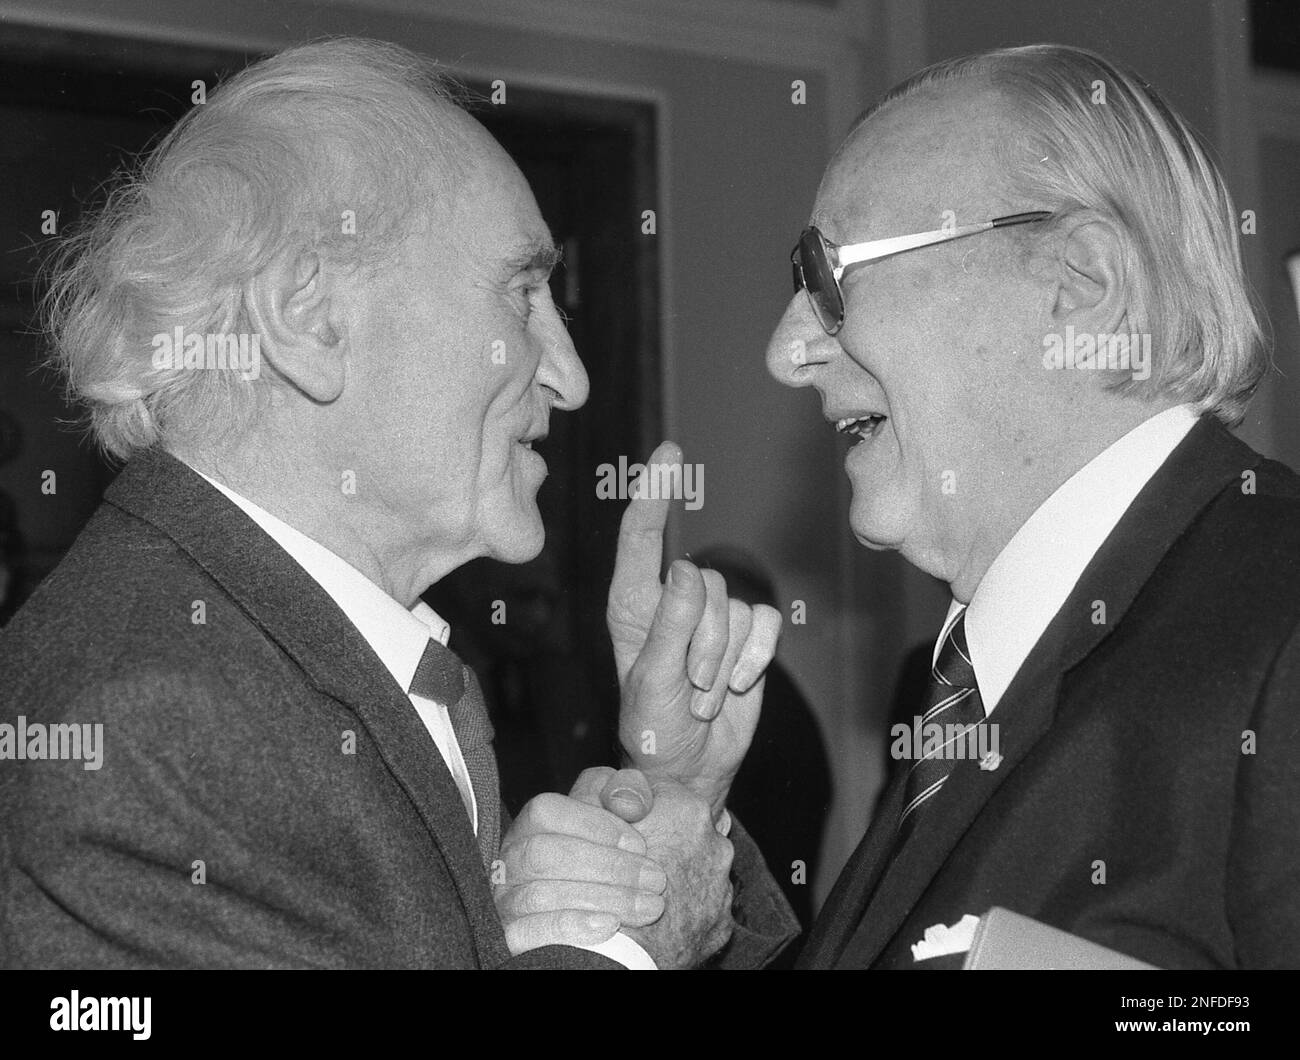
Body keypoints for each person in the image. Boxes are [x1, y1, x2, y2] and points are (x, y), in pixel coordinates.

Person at [0, 38, 795, 969]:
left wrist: (664, 799)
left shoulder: (287, 660)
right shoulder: (147, 731)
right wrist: (630, 943)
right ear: (308, 318)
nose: (571, 377)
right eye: (522, 294)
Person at [762, 44, 1300, 968]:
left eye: (829, 276)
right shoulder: (974, 676)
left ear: (1081, 281)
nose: (787, 352)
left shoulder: (1282, 630)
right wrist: (686, 864)